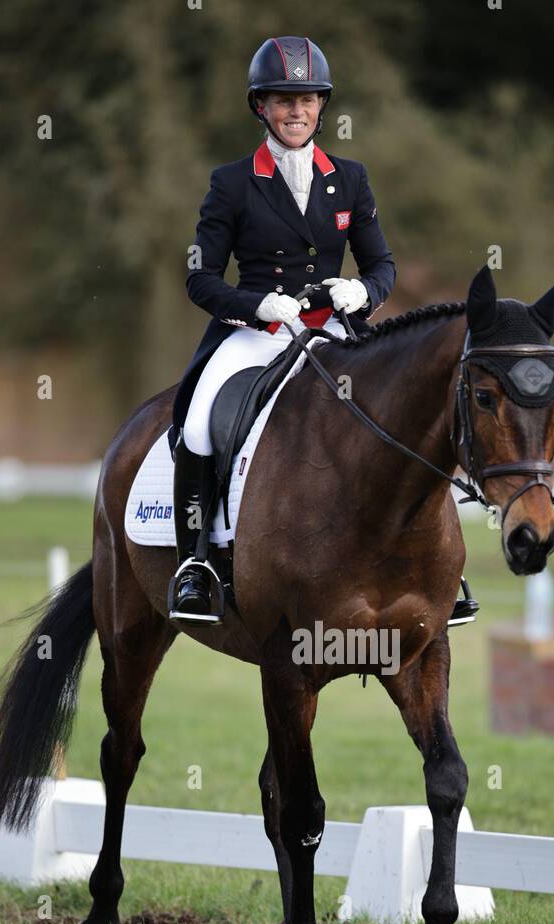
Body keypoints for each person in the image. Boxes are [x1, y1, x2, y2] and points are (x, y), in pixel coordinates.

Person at [169, 35, 395, 624]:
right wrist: (258, 306)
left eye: (308, 100)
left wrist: (363, 292)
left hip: (332, 334)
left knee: (403, 410)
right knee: (198, 422)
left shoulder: (350, 178)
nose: (297, 111)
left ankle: (430, 563)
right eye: (284, 100)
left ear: (322, 106)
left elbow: (381, 265)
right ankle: (195, 563)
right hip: (257, 333)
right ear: (261, 106)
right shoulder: (232, 182)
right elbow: (200, 279)